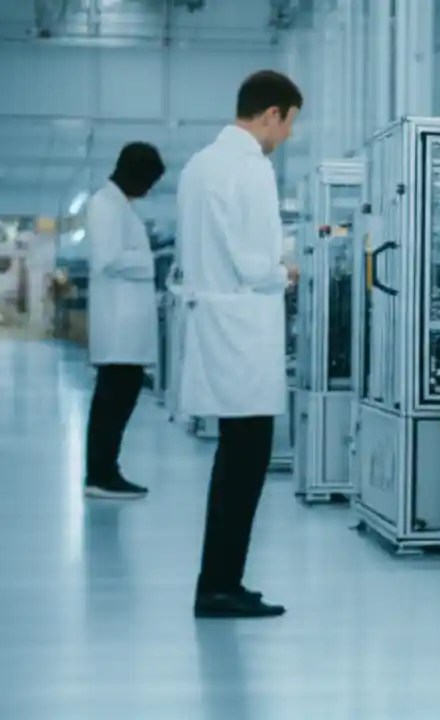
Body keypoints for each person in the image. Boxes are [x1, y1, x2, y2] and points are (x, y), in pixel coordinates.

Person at [176, 70, 302, 619]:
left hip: (218, 325)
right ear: (271, 113)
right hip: (243, 330)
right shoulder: (252, 169)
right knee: (243, 466)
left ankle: (222, 580)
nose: (287, 136)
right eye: (290, 123)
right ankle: (219, 587)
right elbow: (255, 263)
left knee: (234, 463)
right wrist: (286, 271)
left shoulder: (200, 164)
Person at [84, 143, 166, 499]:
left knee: (119, 399)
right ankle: (101, 475)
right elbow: (107, 258)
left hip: (125, 325)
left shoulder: (119, 207)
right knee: (112, 401)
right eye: (148, 181)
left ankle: (106, 470)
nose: (148, 190)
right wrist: (149, 262)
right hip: (118, 325)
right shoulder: (104, 205)